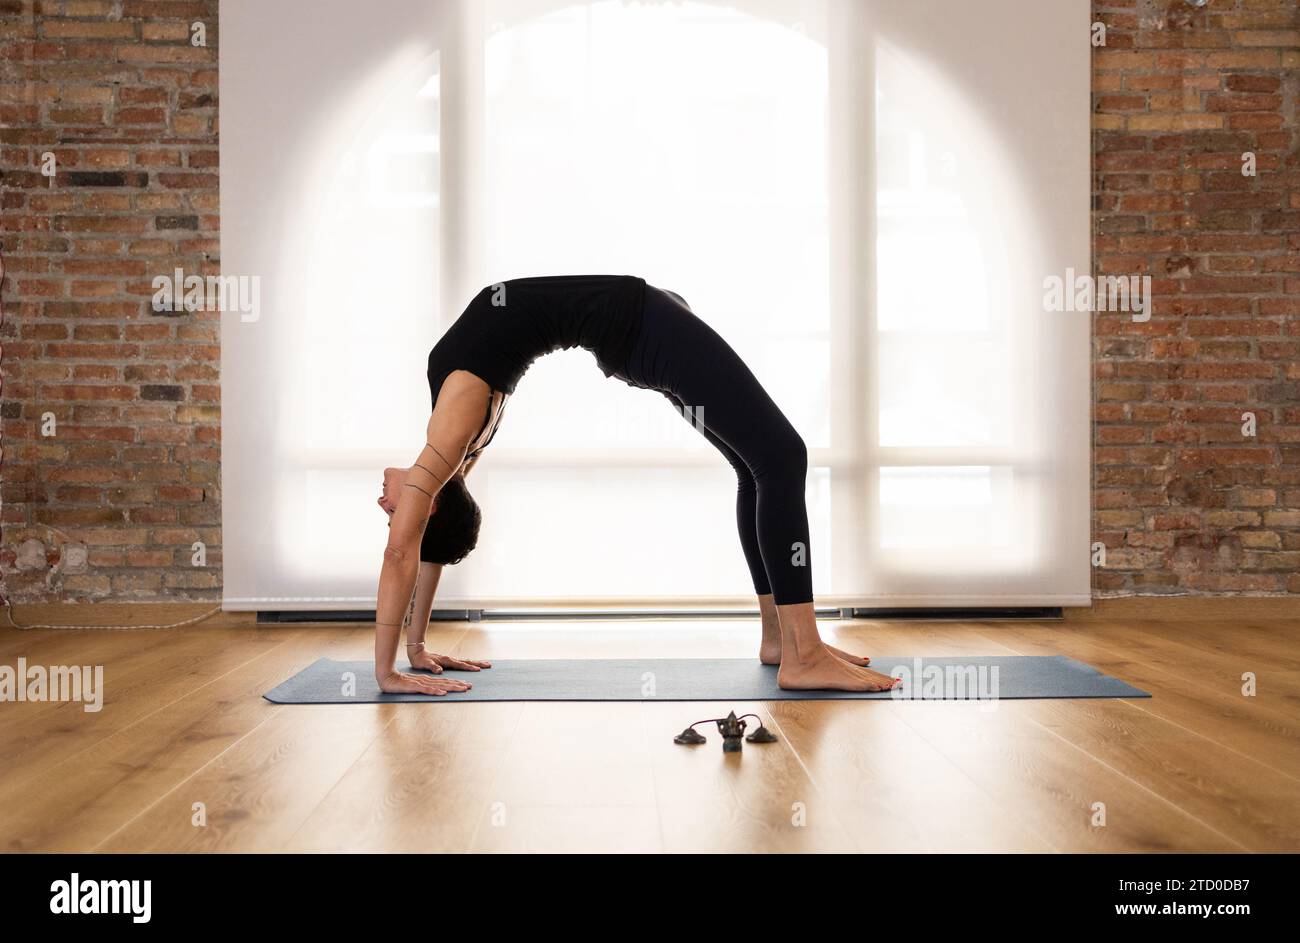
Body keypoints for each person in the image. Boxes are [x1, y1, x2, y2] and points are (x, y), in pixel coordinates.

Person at [373, 276, 900, 695]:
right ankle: (804, 654)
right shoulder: (448, 438)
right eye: (395, 513)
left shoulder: (458, 451)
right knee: (783, 457)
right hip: (644, 325)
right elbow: (404, 551)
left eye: (392, 512)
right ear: (430, 508)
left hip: (639, 330)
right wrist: (387, 672)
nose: (385, 505)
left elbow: (424, 545)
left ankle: (780, 640)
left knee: (754, 464)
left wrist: (418, 646)